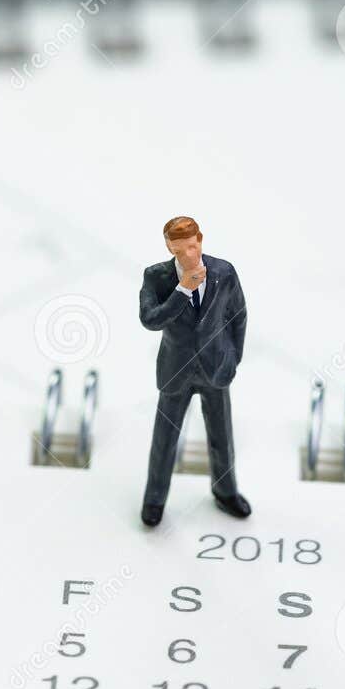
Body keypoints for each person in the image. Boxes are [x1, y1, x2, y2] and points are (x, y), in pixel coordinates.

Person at [138, 215, 251, 526]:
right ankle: (154, 499)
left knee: (222, 436)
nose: (189, 255)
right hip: (176, 372)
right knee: (164, 440)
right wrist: (182, 291)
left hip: (216, 368)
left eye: (192, 246)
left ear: (200, 240)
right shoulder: (157, 277)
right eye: (180, 250)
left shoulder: (223, 272)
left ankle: (226, 491)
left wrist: (233, 357)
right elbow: (150, 320)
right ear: (170, 248)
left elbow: (238, 315)